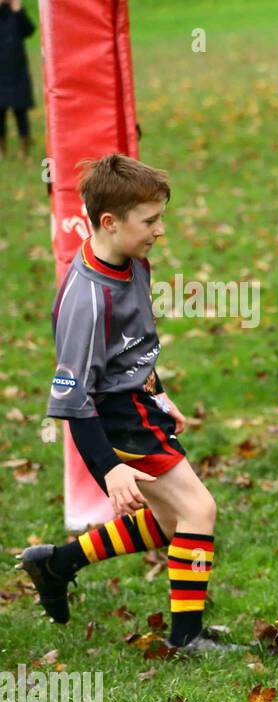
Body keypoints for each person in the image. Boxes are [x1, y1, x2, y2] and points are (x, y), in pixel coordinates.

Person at [20, 155, 240, 655]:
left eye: (161, 218)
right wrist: (110, 470)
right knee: (197, 510)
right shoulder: (87, 299)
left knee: (168, 522)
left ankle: (59, 563)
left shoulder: (131, 259)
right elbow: (73, 399)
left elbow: (134, 342)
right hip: (116, 417)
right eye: (150, 221)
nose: (160, 231)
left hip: (137, 403)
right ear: (109, 223)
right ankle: (187, 638)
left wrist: (157, 389)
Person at [0, 0, 34, 159]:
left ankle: (24, 147)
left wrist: (19, 11)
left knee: (21, 111)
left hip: (18, 72)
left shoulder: (17, 11)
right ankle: (1, 148)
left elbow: (29, 30)